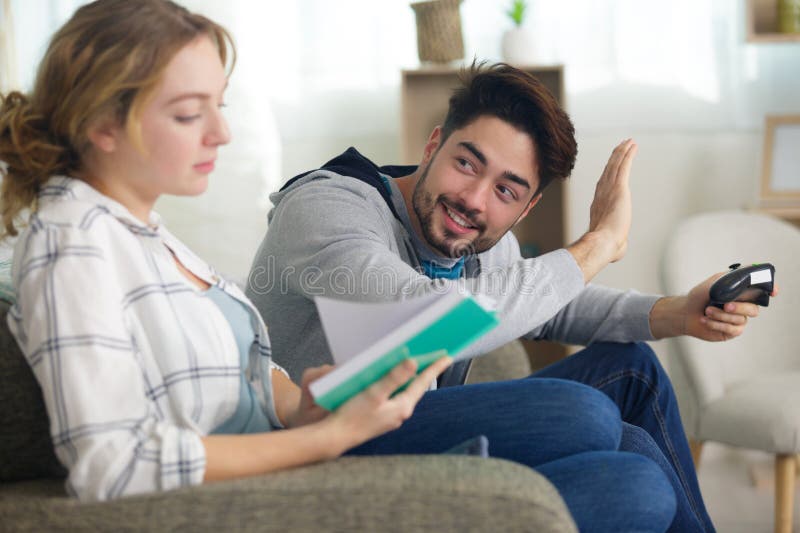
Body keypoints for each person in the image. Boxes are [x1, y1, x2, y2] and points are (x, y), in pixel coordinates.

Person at [246, 63, 775, 533]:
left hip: (410, 420)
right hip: (323, 439)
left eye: (506, 190)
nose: (473, 199)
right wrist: (596, 246)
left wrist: (676, 312)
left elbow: (551, 303)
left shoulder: (474, 239)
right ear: (432, 147)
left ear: (525, 208)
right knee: (585, 415)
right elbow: (423, 320)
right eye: (467, 163)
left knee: (633, 381)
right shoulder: (329, 205)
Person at [0, 0, 453, 503]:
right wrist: (324, 438)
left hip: (287, 455)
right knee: (554, 417)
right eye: (190, 113)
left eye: (221, 106)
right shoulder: (71, 247)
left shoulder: (141, 231)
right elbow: (114, 466)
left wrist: (300, 405)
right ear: (102, 123)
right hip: (245, 494)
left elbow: (238, 376)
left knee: (556, 416)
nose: (222, 134)